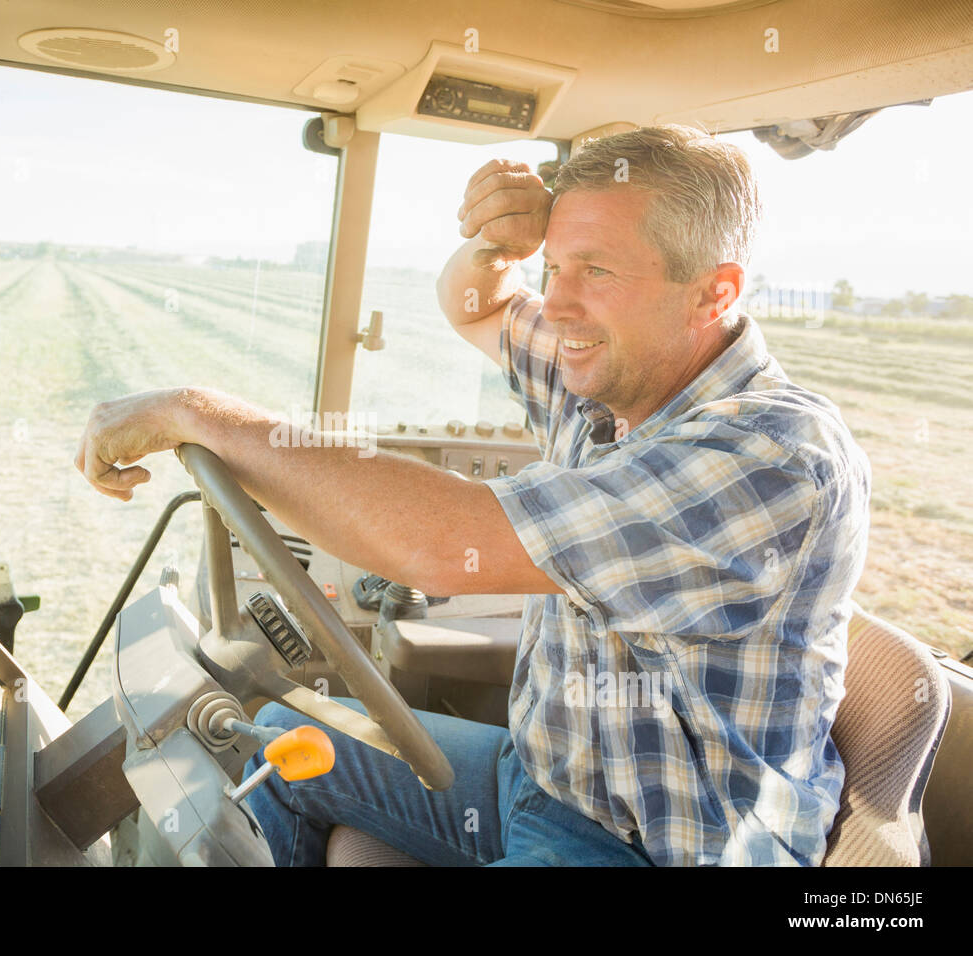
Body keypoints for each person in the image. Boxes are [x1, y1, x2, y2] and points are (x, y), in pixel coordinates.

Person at [74, 124, 872, 866]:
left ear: (713, 293)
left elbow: (442, 545)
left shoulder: (771, 455)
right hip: (544, 778)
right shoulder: (614, 380)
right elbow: (476, 303)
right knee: (274, 740)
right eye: (554, 267)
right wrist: (498, 245)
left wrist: (194, 414)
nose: (555, 305)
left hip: (654, 846)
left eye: (595, 269)